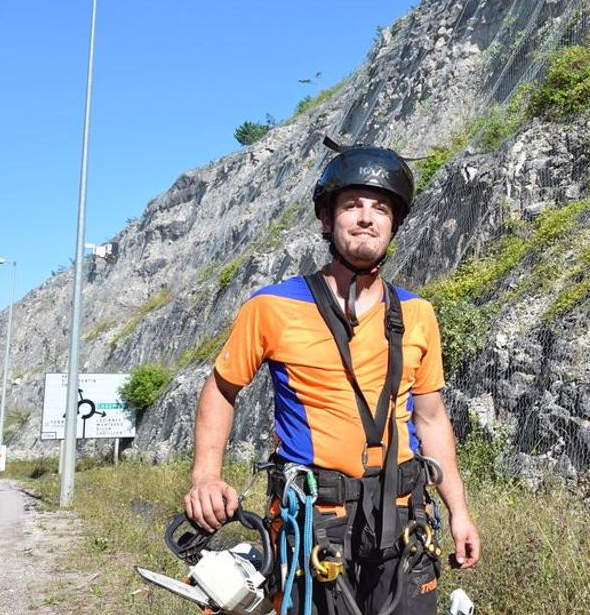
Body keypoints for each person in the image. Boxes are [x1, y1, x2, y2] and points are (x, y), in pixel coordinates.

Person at [184, 141, 480, 615]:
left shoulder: (418, 314)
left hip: (404, 518)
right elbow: (222, 389)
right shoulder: (273, 307)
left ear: (393, 224)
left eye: (380, 208)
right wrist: (206, 476)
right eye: (352, 205)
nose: (366, 217)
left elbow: (430, 417)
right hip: (317, 523)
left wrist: (459, 513)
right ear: (327, 219)